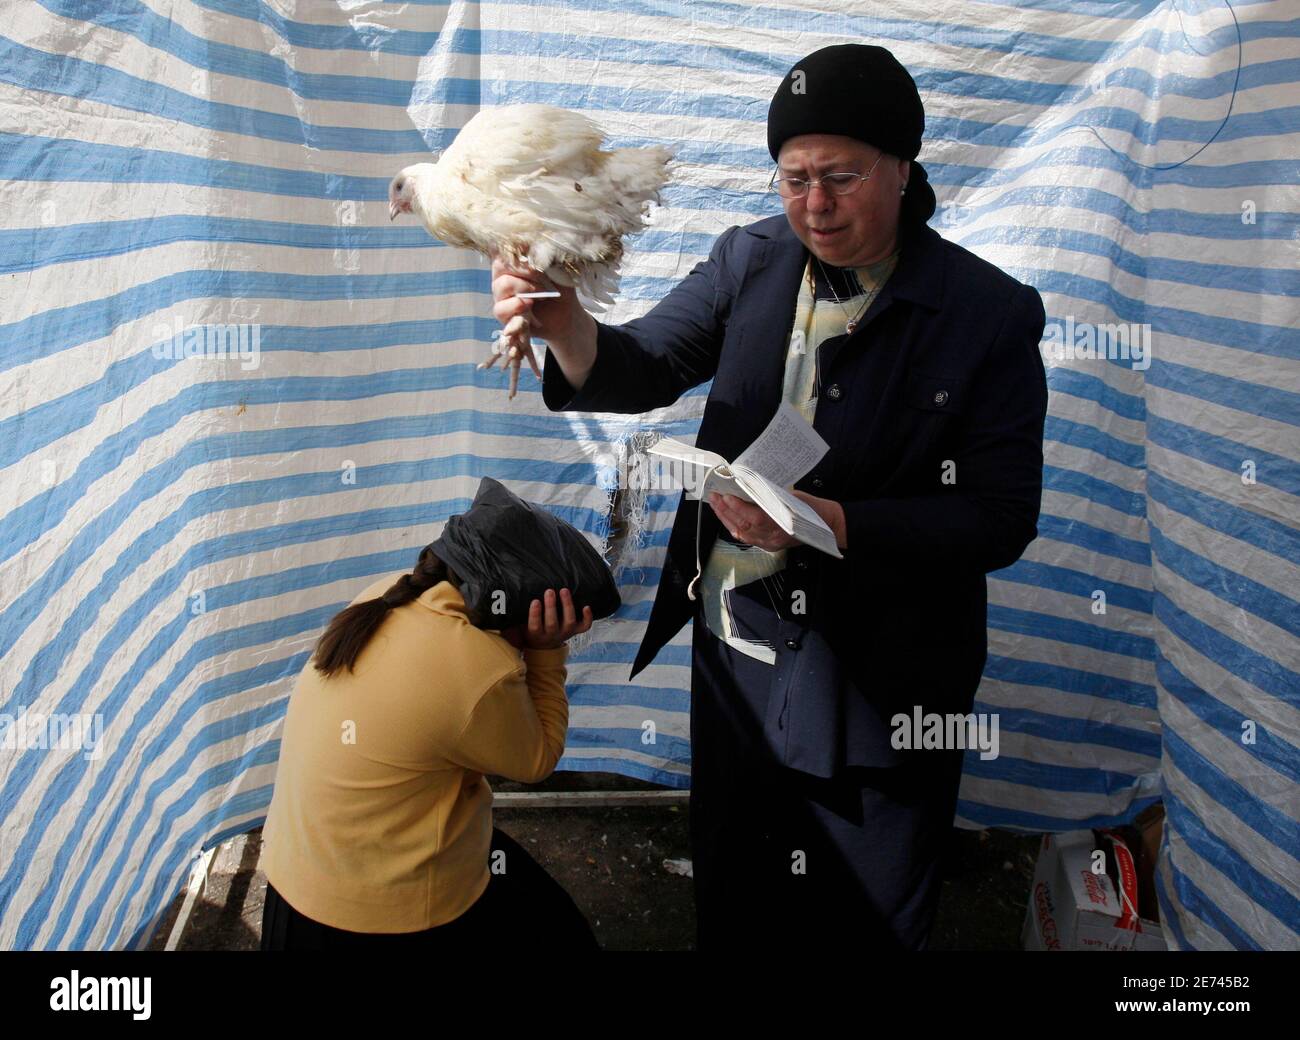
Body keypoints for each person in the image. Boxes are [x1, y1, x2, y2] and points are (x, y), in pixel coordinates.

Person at [492, 43, 1049, 949]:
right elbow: (651, 363)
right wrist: (567, 324)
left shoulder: (987, 313)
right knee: (741, 899)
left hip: (883, 687)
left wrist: (836, 523)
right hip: (740, 652)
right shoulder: (749, 260)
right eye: (793, 178)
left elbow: (998, 514)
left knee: (866, 920)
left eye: (840, 176)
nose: (814, 205)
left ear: (904, 170)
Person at [260, 532, 599, 950]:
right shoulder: (480, 665)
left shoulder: (387, 594)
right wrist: (547, 650)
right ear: (513, 611)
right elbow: (538, 760)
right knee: (562, 934)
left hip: (292, 885)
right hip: (377, 914)